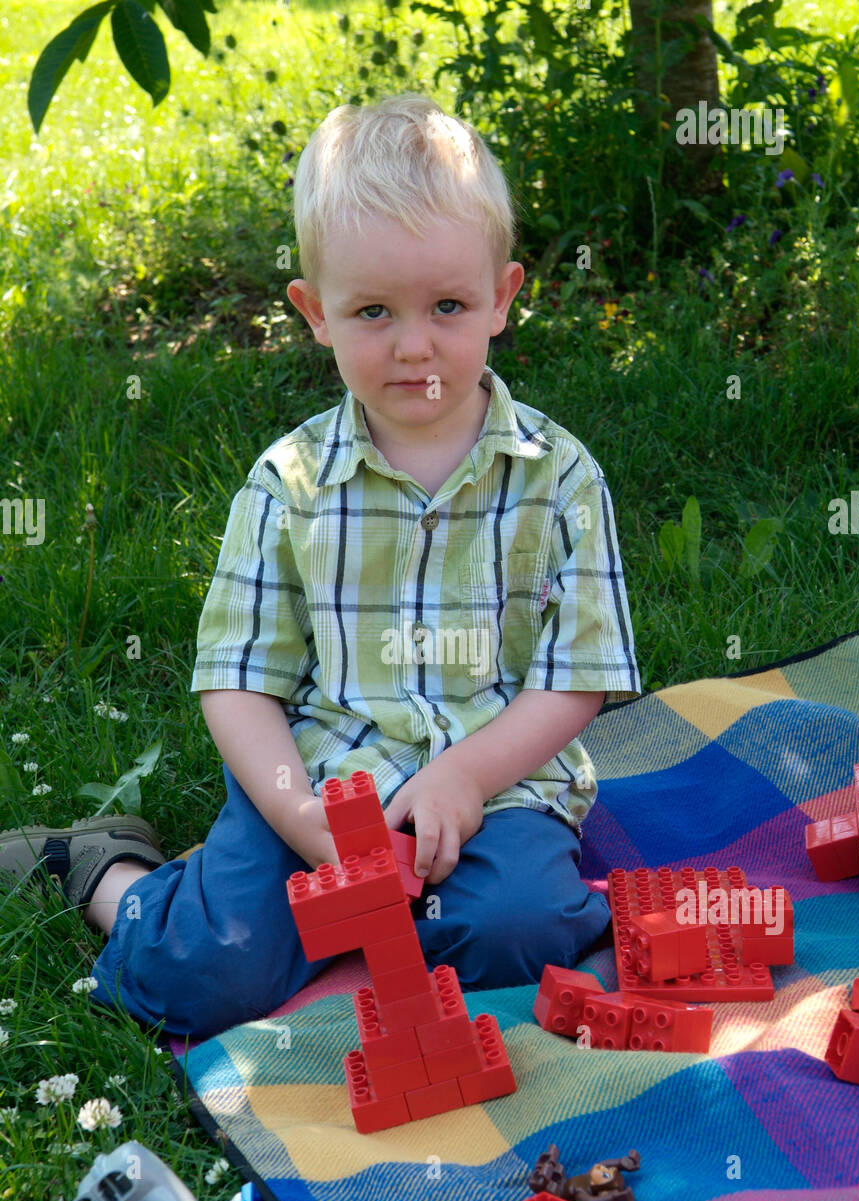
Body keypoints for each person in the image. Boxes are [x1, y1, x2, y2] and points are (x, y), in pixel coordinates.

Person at [0, 95, 640, 1037]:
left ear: (504, 298)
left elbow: (579, 676)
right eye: (373, 311)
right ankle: (101, 870)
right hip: (319, 774)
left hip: (494, 789)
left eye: (448, 306)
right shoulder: (289, 484)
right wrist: (308, 827)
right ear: (314, 313)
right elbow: (237, 684)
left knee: (521, 930)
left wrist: (465, 776)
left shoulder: (560, 477)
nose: (413, 344)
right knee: (201, 973)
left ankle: (365, 933)